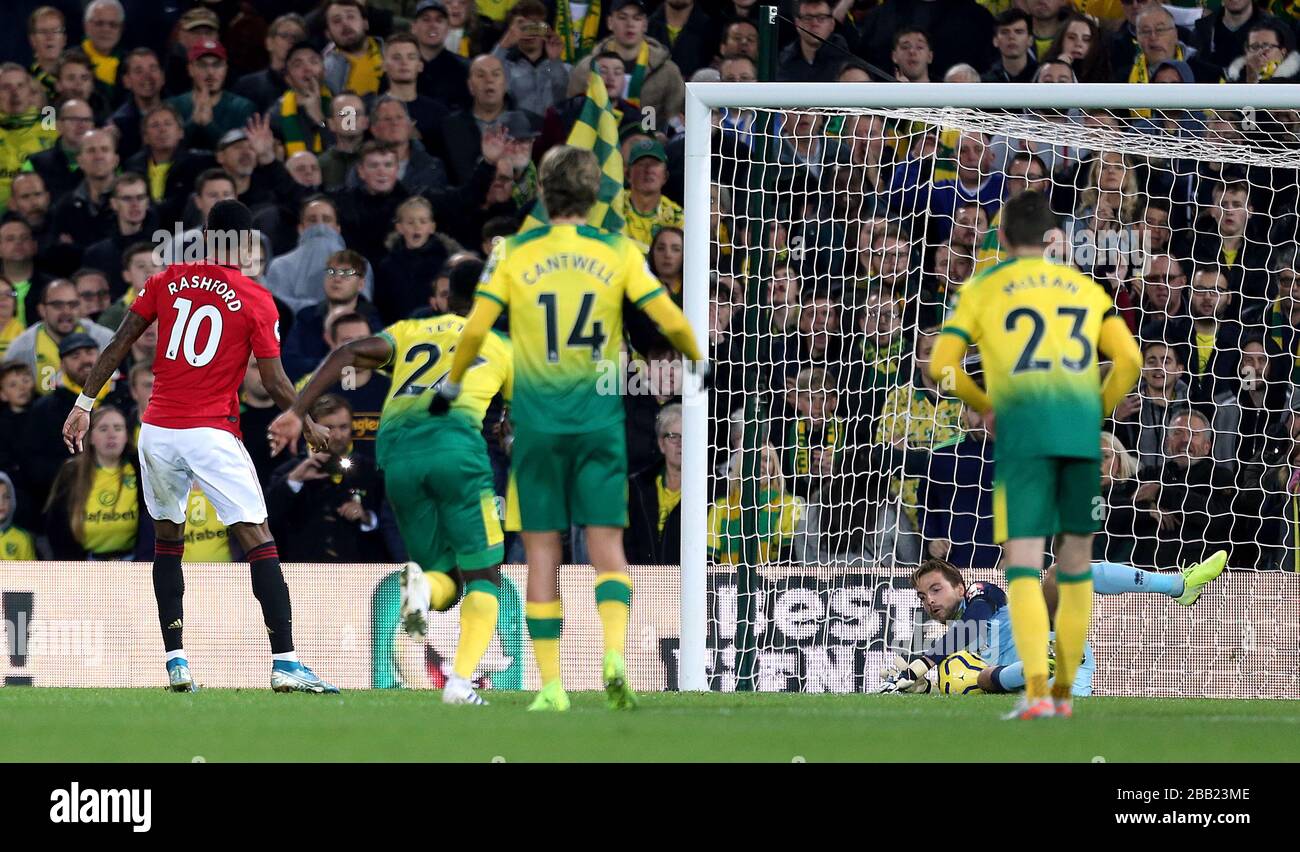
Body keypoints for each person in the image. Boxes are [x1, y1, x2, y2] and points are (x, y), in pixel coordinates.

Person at [436, 144, 705, 712]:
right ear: (595, 194)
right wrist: (694, 356)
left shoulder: (512, 251)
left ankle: (552, 686)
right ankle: (613, 657)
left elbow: (477, 325)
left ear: (542, 190)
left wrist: (453, 384)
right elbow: (668, 319)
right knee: (608, 547)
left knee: (542, 554)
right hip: (599, 422)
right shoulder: (620, 250)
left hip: (537, 424)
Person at [60, 199, 337, 695]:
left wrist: (84, 403)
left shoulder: (168, 279)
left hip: (158, 431)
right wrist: (304, 417)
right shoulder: (256, 298)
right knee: (258, 539)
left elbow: (121, 342)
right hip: (209, 432)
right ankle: (287, 663)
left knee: (168, 539)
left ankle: (177, 662)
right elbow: (272, 380)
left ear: (207, 237)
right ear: (248, 244)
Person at [929, 190, 1143, 719]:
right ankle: (1068, 692)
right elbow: (1131, 360)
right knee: (1071, 569)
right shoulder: (1085, 289)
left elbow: (941, 365)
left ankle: (1038, 695)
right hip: (1074, 439)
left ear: (1001, 239)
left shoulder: (985, 287)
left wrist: (983, 408)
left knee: (1023, 569)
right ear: (1056, 240)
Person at [270, 258, 512, 706]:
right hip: (457, 453)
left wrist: (296, 412)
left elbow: (345, 354)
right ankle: (460, 683)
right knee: (484, 576)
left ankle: (420, 589)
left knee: (443, 585)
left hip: (396, 459)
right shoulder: (499, 345)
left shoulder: (410, 330)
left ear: (446, 298)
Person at [879, 553, 1228, 695]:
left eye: (936, 589)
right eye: (924, 597)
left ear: (958, 586)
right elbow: (961, 678)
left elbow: (971, 626)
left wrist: (923, 663)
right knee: (982, 677)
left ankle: (1178, 585)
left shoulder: (980, 595)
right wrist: (925, 687)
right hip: (1032, 683)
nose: (931, 601)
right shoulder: (954, 645)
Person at [265, 394, 385, 562]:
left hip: (356, 575)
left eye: (343, 427)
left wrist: (366, 518)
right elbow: (269, 520)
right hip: (301, 574)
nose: (337, 435)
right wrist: (295, 479)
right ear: (312, 429)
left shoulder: (368, 470)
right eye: (329, 427)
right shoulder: (289, 471)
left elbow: (390, 524)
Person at [45, 404, 146, 560]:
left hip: (133, 561)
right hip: (86, 563)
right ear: (90, 436)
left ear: (127, 435)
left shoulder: (140, 470)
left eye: (118, 428)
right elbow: (57, 526)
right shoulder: (72, 472)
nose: (111, 435)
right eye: (103, 429)